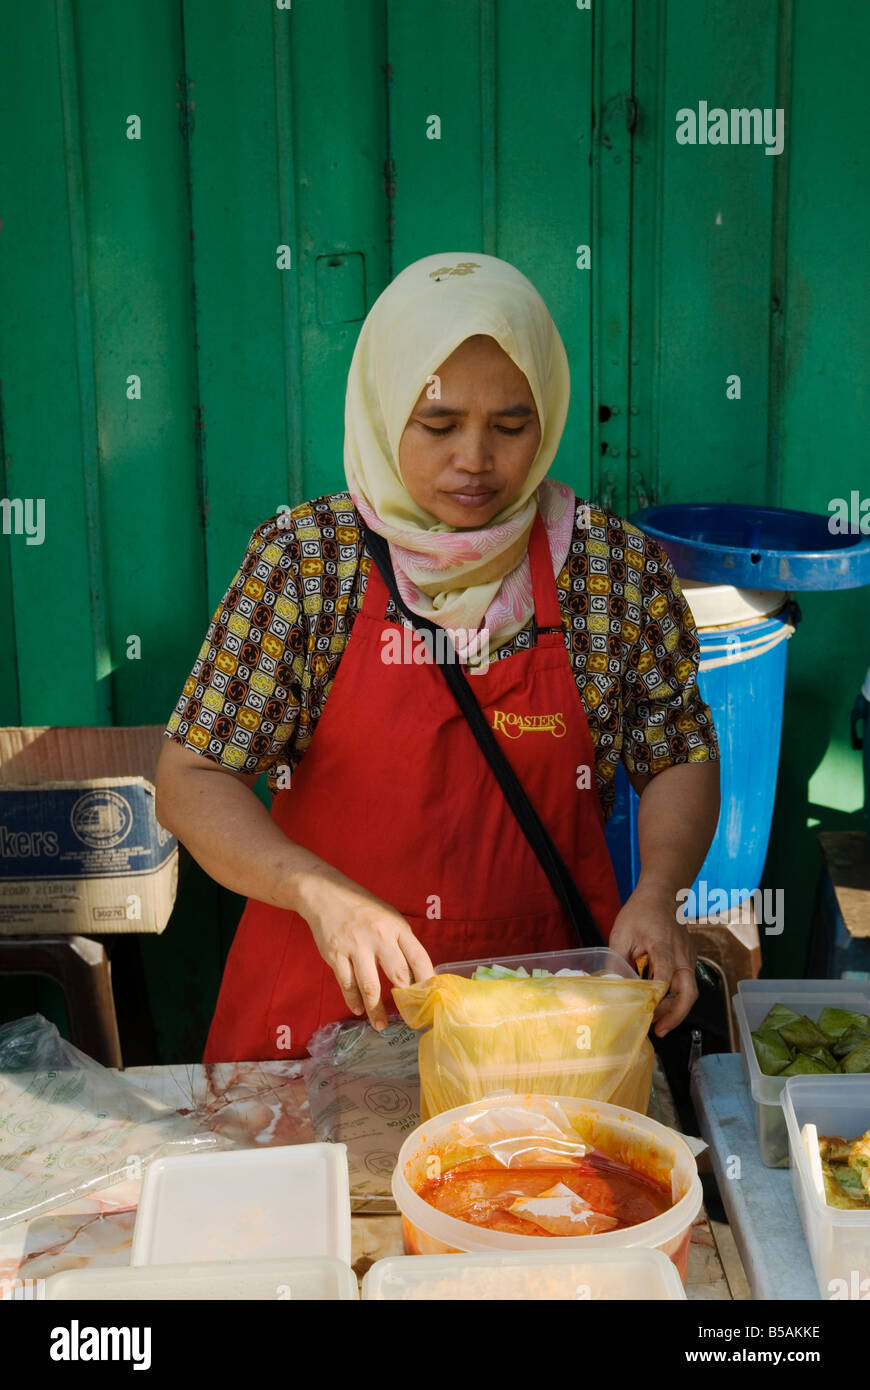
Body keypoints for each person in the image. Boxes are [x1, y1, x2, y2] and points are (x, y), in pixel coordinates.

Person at [155, 252, 720, 1062]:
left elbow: (679, 755)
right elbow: (191, 777)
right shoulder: (308, 563)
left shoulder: (611, 570)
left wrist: (660, 893)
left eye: (512, 425)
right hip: (325, 1012)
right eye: (440, 424)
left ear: (550, 414)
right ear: (387, 410)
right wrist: (319, 895)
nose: (476, 459)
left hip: (545, 1018)